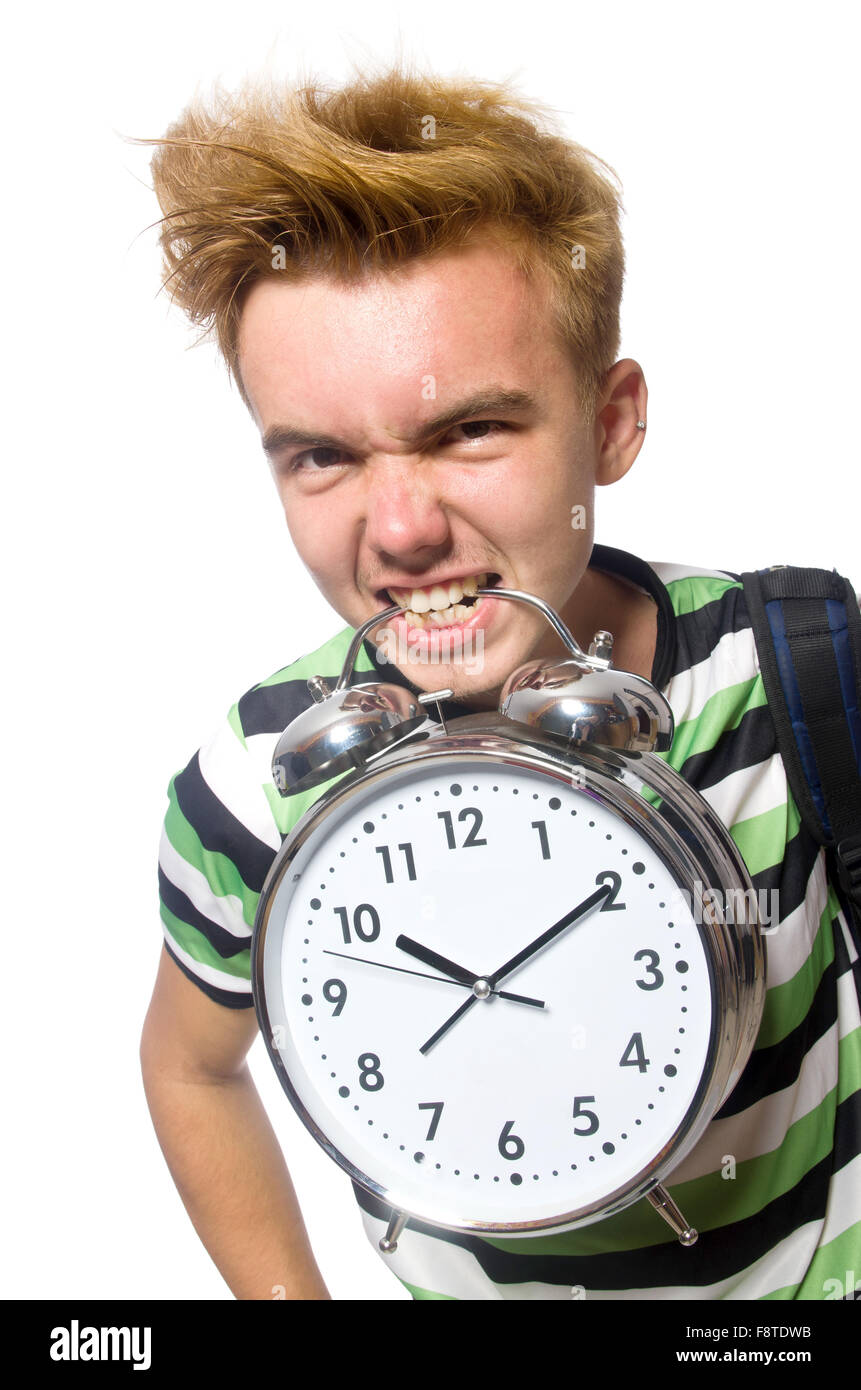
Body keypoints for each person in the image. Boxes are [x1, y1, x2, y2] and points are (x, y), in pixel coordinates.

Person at [139, 65, 860, 1301]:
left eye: (470, 429)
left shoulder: (798, 668)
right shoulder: (257, 784)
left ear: (612, 420)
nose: (404, 528)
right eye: (322, 454)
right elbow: (191, 1069)